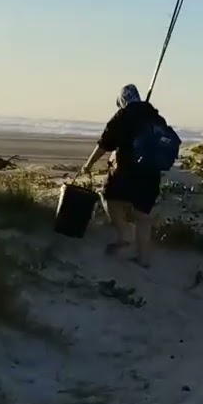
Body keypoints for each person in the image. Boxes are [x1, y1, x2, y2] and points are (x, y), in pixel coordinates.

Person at [79, 84, 177, 267]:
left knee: (108, 196)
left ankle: (125, 235)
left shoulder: (123, 116)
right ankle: (144, 260)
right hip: (151, 174)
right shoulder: (155, 117)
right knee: (143, 217)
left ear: (122, 100)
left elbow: (104, 144)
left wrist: (89, 164)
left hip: (127, 173)